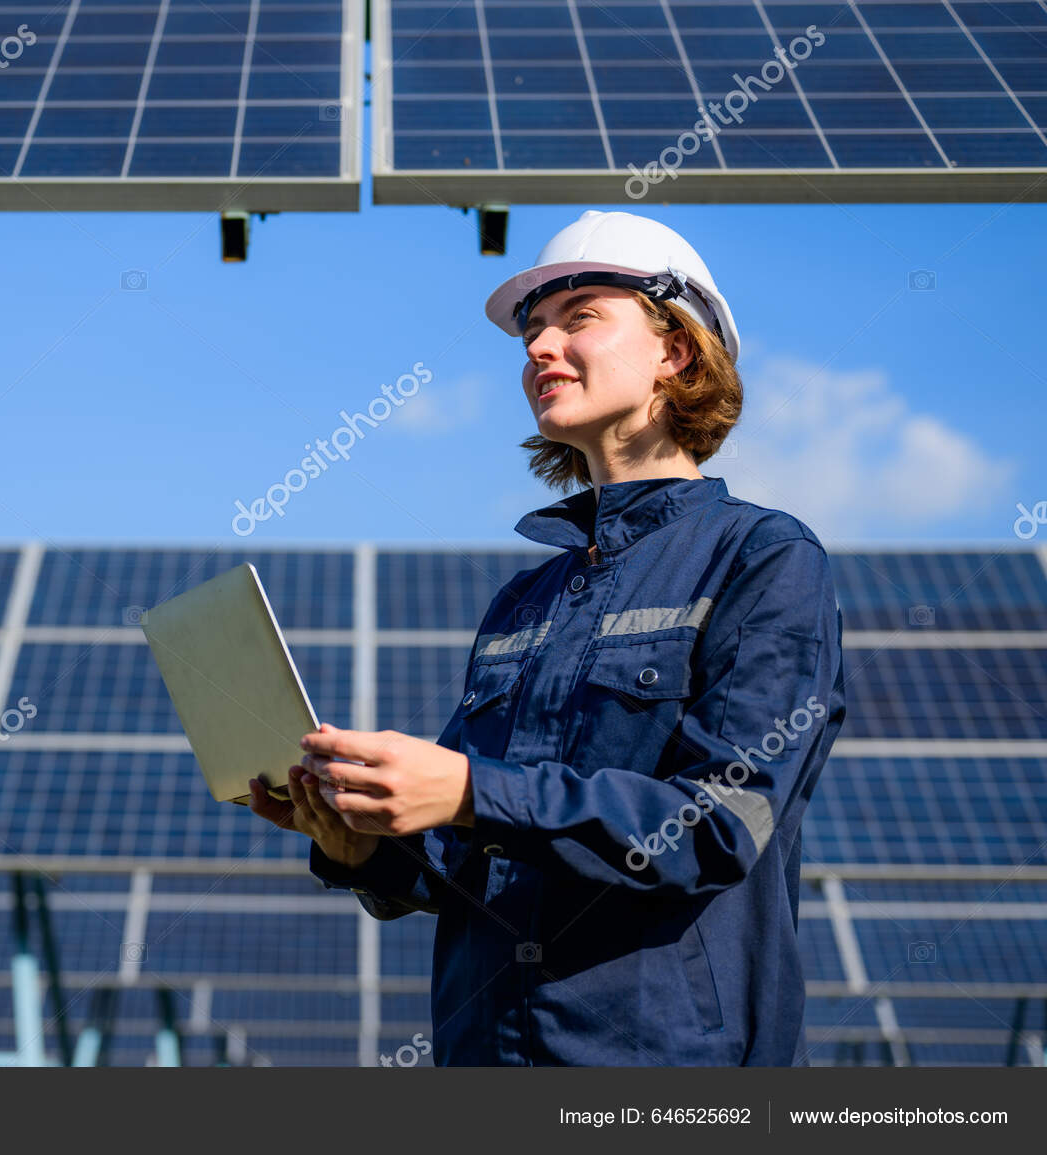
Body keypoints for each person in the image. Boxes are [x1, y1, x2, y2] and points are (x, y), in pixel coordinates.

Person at [249, 209, 846, 1067]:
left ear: (674, 351)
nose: (539, 347)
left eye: (580, 318)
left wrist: (467, 790)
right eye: (532, 330)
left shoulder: (764, 559)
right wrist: (363, 849)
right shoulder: (523, 603)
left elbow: (719, 823)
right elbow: (469, 859)